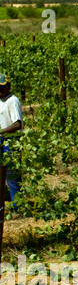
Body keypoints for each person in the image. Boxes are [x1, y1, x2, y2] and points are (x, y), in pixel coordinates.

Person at [0, 72, 23, 201]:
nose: (0, 90)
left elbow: (17, 124)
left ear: (8, 86)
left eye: (2, 87)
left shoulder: (12, 100)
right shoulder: (0, 101)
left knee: (12, 174)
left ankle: (17, 205)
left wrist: (1, 132)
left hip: (12, 140)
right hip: (2, 139)